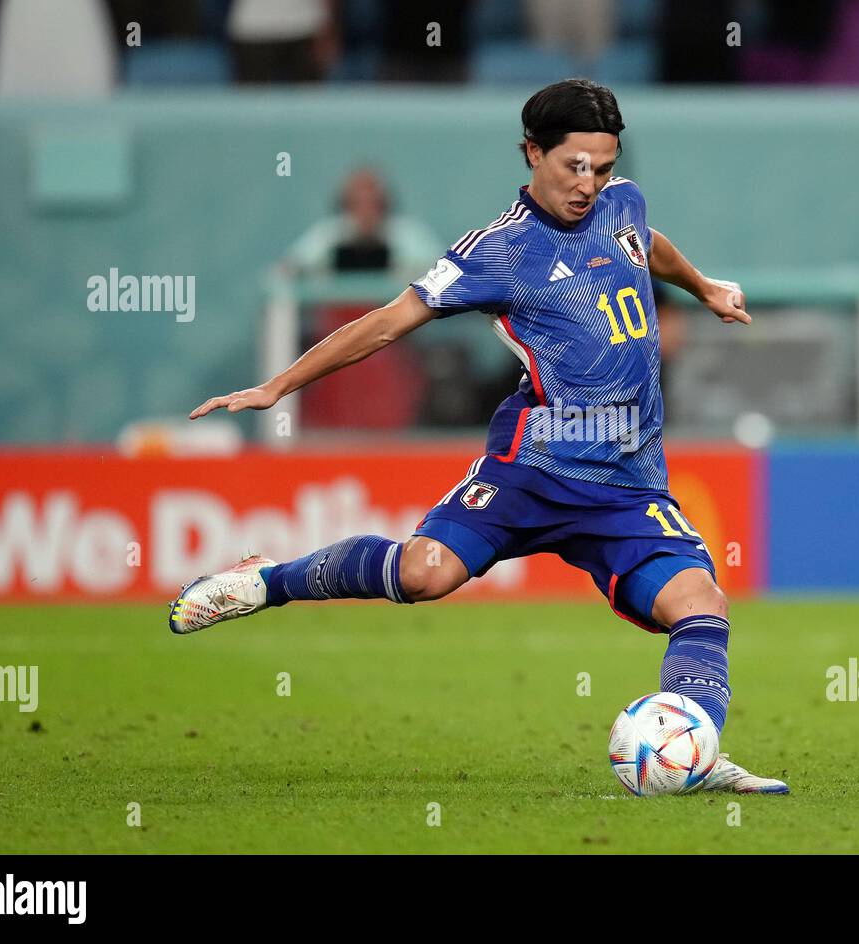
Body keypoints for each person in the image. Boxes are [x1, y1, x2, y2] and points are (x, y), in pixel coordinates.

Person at [175, 79, 786, 795]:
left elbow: (643, 245)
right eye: (573, 166)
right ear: (532, 152)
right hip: (532, 469)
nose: (590, 184)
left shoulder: (623, 201)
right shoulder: (496, 251)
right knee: (424, 574)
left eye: (603, 165)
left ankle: (695, 749)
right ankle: (264, 582)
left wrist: (703, 285)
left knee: (702, 605)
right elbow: (387, 321)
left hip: (627, 483)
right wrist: (279, 385)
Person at [280, 167, 442, 280]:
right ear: (345, 205)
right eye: (357, 204)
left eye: (372, 204)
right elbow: (287, 269)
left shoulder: (408, 235)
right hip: (339, 323)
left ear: (384, 204)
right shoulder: (327, 235)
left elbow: (442, 273)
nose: (366, 213)